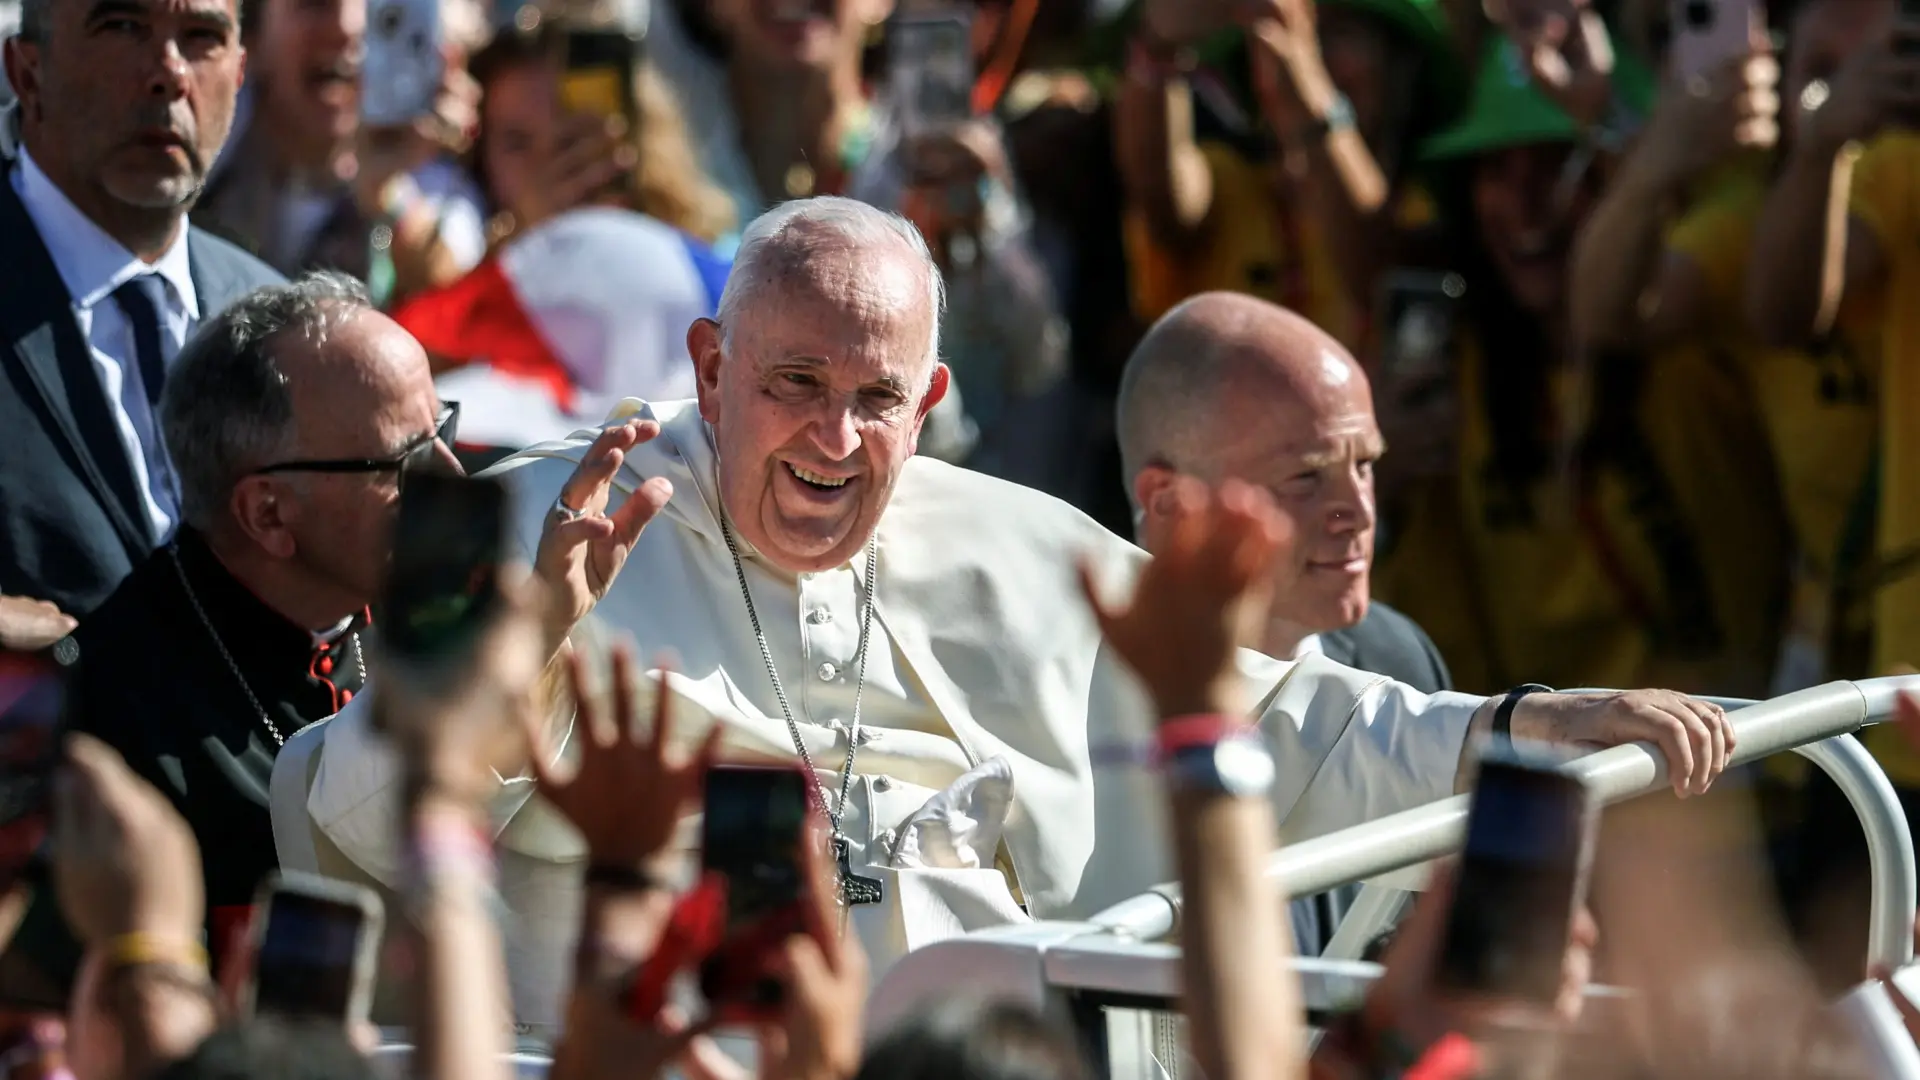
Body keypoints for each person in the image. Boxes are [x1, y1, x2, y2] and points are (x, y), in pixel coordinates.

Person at [297, 196, 1736, 989]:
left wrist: (1527, 722)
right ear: (711, 368)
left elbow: (1299, 720)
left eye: (877, 398)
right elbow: (348, 812)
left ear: (929, 401)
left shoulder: (1015, 543)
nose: (836, 438)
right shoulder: (513, 524)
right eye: (794, 385)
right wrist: (519, 646)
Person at [12, 273, 459, 1001]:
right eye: (404, 462)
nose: (452, 474)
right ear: (268, 514)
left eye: (445, 429)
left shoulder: (425, 625)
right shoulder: (111, 734)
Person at [1115, 291, 1450, 955]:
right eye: (1306, 477)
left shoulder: (1398, 658)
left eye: (1367, 465)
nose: (1356, 511)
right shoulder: (1090, 713)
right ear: (1171, 501)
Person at [0, 0, 282, 620]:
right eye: (122, 26)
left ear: (239, 75)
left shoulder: (282, 322)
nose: (169, 73)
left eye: (202, 37)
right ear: (27, 71)